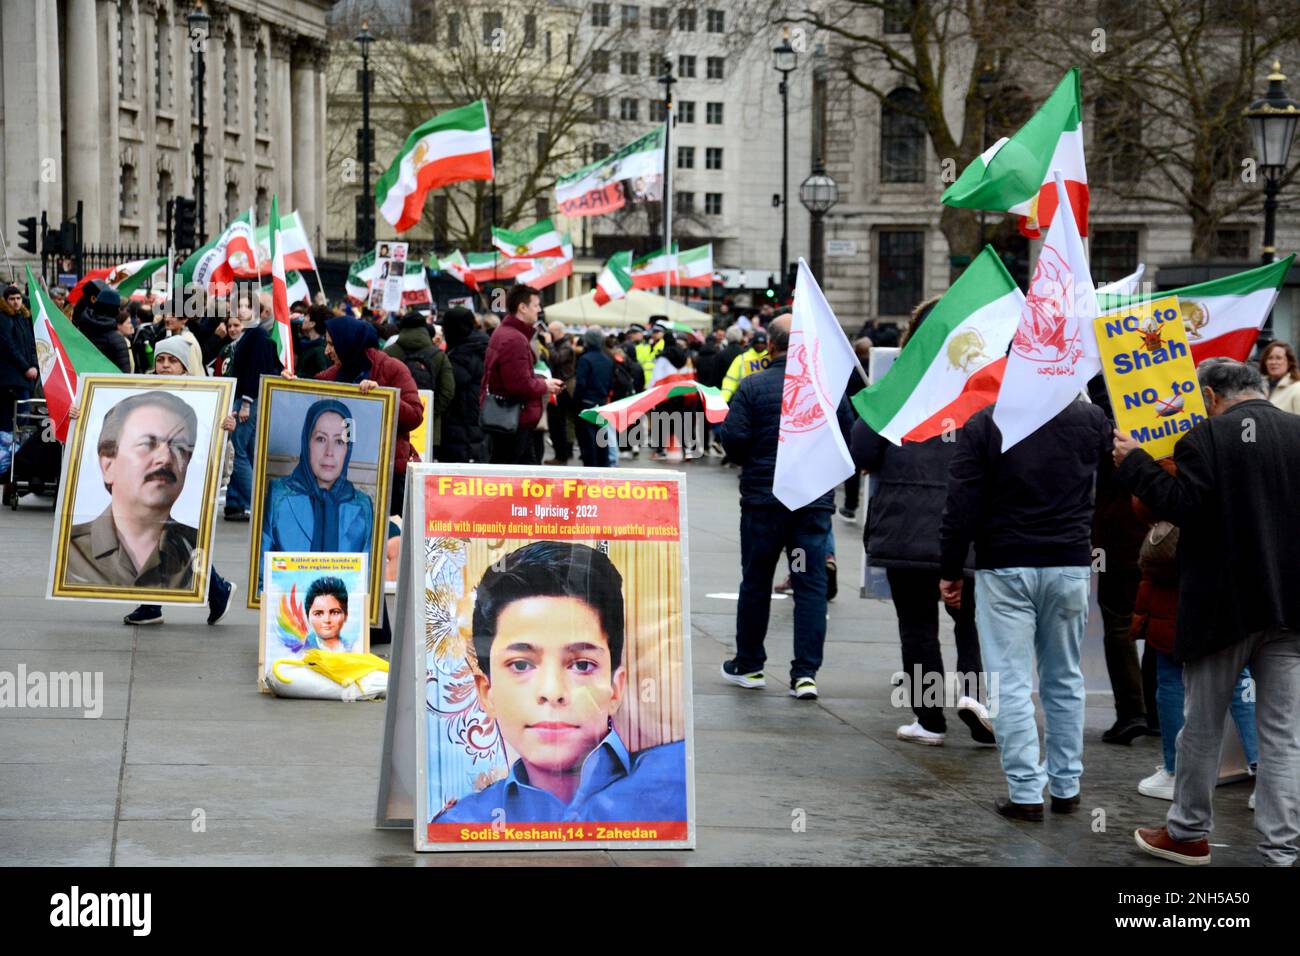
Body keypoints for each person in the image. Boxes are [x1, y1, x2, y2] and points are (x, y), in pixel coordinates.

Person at [1114, 359, 1300, 867]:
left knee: (1201, 725)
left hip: (1223, 608)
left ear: (1212, 398)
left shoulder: (1206, 437)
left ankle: (1188, 832)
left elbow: (1183, 505)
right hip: (1288, 607)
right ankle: (1281, 850)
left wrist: (1135, 463)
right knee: (1282, 733)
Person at [939, 394, 1110, 821]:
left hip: (1005, 561)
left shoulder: (985, 422)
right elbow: (1109, 485)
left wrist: (950, 567)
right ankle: (1067, 784)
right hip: (1069, 560)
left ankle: (1025, 791)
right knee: (1065, 677)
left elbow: (961, 502)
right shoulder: (1093, 419)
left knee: (1009, 682)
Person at [433, 541, 686, 824]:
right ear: (487, 692)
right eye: (521, 665)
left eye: (581, 665)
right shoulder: (463, 824)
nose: (552, 692)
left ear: (616, 688)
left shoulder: (675, 785)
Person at [850, 303, 991, 746]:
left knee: (916, 628)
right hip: (967, 524)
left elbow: (863, 451)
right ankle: (975, 696)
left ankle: (929, 721)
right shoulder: (985, 387)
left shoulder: (898, 385)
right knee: (972, 621)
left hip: (903, 524)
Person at [715, 315, 852, 700]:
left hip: (764, 506)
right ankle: (805, 674)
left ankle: (750, 665)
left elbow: (734, 441)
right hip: (809, 510)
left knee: (756, 581)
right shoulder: (825, 389)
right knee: (809, 585)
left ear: (770, 347)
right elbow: (848, 439)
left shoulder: (753, 386)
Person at [1127, 459, 1258, 804]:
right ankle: (1266, 773)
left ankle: (1175, 771)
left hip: (1178, 598)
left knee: (1170, 678)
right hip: (1231, 588)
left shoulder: (1169, 452)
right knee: (1240, 680)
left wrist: (1137, 465)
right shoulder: (1228, 446)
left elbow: (1145, 509)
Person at [112, 336, 237, 626]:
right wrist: (81, 412)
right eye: (160, 360)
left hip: (178, 476)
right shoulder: (139, 389)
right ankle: (162, 602)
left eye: (172, 361)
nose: (165, 366)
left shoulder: (205, 394)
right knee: (160, 536)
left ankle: (212, 590)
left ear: (184, 366)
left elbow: (212, 439)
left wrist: (228, 426)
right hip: (146, 476)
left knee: (173, 535)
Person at [65, 390, 201, 590]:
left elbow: (218, 469)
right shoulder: (71, 551)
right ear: (108, 465)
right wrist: (73, 423)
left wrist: (224, 433)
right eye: (147, 444)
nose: (165, 458)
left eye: (179, 447)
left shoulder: (196, 548)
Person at [314, 316, 423, 518]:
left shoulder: (393, 369)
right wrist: (290, 387)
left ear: (347, 342)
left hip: (386, 473)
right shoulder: (329, 376)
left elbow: (415, 416)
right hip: (343, 472)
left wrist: (382, 397)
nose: (326, 352)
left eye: (331, 344)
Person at [261, 398, 375, 567]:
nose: (329, 452)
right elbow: (260, 577)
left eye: (339, 441)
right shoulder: (279, 495)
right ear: (306, 442)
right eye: (321, 439)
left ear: (348, 449)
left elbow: (367, 583)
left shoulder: (362, 506)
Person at [479, 285, 563, 466]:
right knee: (516, 480)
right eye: (536, 305)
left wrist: (541, 381)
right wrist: (545, 385)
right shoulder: (514, 338)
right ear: (522, 308)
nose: (539, 310)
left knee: (520, 477)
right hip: (514, 421)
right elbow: (518, 385)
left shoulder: (506, 333)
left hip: (511, 419)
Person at [224, 307, 284, 521]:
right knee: (247, 451)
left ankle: (258, 504)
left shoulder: (256, 334)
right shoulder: (252, 334)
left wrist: (247, 402)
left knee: (237, 450)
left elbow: (255, 369)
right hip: (249, 398)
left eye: (243, 306)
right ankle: (251, 502)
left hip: (249, 399)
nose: (238, 310)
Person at [384, 309, 454, 458]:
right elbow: (448, 390)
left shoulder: (388, 353)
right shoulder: (438, 355)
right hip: (428, 428)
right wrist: (430, 413)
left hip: (393, 427)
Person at [439, 307, 490, 463]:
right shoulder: (481, 345)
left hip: (461, 422)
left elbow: (450, 387)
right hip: (478, 419)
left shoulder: (461, 354)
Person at [839, 336, 872, 519]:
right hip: (872, 422)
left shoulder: (852, 372)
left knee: (853, 466)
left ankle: (850, 506)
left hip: (854, 422)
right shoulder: (878, 371)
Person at [574, 327, 614, 467]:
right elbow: (610, 383)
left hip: (586, 404)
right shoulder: (608, 360)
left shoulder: (585, 359)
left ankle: (590, 470)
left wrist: (576, 402)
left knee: (587, 440)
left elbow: (580, 384)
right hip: (602, 403)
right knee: (601, 439)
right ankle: (604, 467)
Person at [544, 321, 578, 465]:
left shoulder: (566, 347)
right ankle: (561, 454)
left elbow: (556, 359)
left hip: (563, 389)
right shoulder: (561, 345)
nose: (549, 335)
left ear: (557, 332)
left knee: (558, 423)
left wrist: (548, 343)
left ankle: (562, 456)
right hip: (557, 387)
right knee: (556, 423)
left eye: (550, 332)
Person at [78, 288, 132, 373]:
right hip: (105, 384)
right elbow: (124, 375)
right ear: (115, 311)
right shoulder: (116, 339)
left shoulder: (79, 331)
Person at [303, 576, 356, 652]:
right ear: (308, 617)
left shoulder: (352, 648)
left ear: (346, 615)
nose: (327, 620)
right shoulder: (300, 652)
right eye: (318, 614)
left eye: (335, 612)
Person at [1259, 340, 1300, 413]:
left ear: (1289, 362)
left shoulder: (1297, 389)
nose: (1273, 362)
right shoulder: (1258, 387)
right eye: (1270, 358)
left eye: (1279, 358)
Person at [296, 305, 332, 379]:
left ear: (312, 324)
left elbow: (323, 378)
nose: (303, 318)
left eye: (307, 316)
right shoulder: (307, 345)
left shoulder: (320, 351)